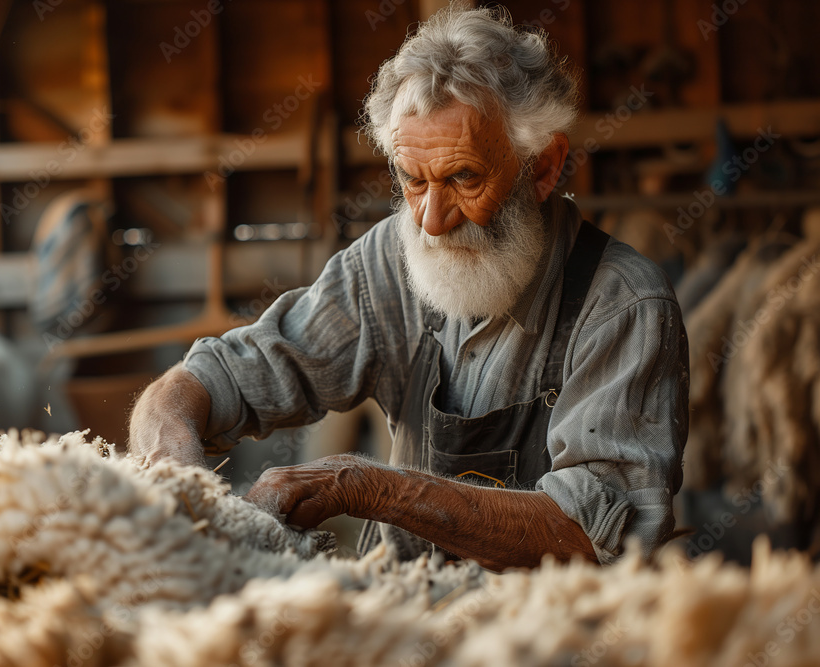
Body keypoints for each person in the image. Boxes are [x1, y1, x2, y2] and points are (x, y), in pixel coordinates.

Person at [129, 6, 689, 571]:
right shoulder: (391, 259)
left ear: (542, 168)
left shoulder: (623, 305)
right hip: (405, 624)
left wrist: (372, 489)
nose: (431, 221)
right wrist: (169, 461)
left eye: (464, 177)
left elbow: (587, 538)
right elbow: (222, 375)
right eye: (411, 180)